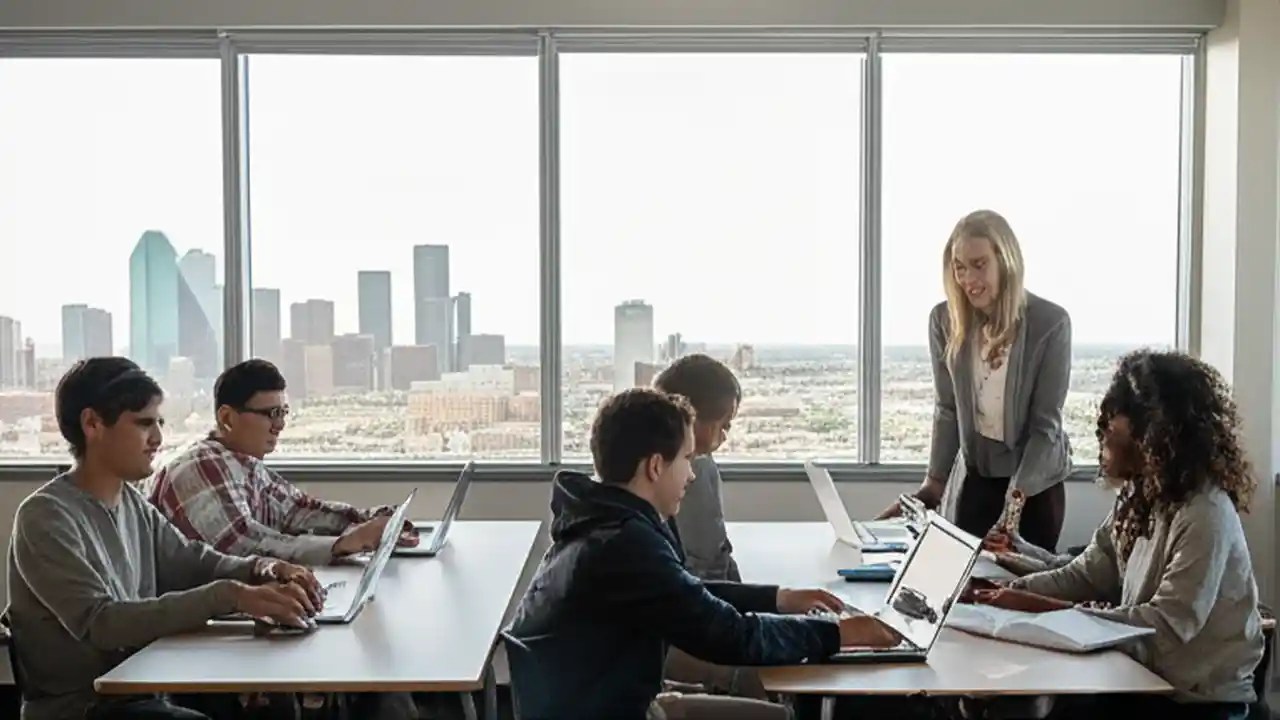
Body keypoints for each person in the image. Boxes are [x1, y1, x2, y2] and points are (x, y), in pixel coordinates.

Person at [506, 388, 901, 720]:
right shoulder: (625, 544)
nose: (692, 474)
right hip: (620, 709)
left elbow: (683, 591)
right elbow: (730, 636)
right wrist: (839, 634)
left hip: (604, 701)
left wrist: (779, 598)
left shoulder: (599, 519)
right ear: (656, 466)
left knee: (777, 713)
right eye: (687, 459)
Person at [6, 358, 322, 720]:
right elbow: (102, 623)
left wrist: (265, 570)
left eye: (159, 423)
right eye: (144, 423)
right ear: (92, 423)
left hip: (147, 685)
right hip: (87, 708)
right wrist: (231, 595)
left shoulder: (132, 503)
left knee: (276, 700)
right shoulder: (45, 517)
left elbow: (195, 562)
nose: (158, 438)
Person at [971, 350, 1264, 719]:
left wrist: (1047, 609)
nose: (1103, 441)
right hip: (1139, 679)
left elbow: (1167, 628)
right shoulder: (1139, 493)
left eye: (1112, 430)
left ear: (1154, 438)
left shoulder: (1205, 512)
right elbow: (1088, 573)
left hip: (1195, 701)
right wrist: (1004, 595)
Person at [878, 209, 1073, 552]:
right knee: (963, 591)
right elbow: (948, 409)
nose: (968, 279)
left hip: (1033, 489)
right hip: (975, 483)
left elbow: (1046, 427)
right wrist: (932, 488)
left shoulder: (1051, 323)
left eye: (979, 264)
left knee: (1021, 592)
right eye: (959, 267)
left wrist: (1013, 507)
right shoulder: (944, 321)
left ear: (1006, 261)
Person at [149, 359, 416, 564]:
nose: (280, 425)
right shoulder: (200, 467)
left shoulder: (244, 465)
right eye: (271, 414)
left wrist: (379, 522)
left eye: (283, 412)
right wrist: (341, 545)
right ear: (228, 418)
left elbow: (301, 511)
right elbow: (243, 547)